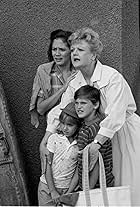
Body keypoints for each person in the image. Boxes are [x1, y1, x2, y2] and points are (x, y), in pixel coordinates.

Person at [44, 27, 140, 205]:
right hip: (97, 137)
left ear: (94, 55)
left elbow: (115, 115)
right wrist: (48, 136)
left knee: (126, 185)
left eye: (80, 50)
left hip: (122, 134)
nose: (74, 53)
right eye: (72, 50)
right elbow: (62, 108)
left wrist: (96, 143)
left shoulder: (112, 78)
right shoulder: (76, 81)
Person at [29, 29, 77, 172]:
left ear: (71, 51)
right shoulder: (44, 71)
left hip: (76, 135)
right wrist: (64, 89)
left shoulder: (79, 72)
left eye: (62, 49)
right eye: (54, 49)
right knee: (49, 176)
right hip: (53, 134)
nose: (56, 53)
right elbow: (41, 109)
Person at [66, 85, 114, 194]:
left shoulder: (97, 130)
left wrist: (87, 192)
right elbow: (82, 162)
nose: (78, 107)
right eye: (76, 103)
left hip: (98, 190)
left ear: (95, 104)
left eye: (83, 103)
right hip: (86, 186)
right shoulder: (83, 125)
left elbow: (96, 167)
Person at [38, 102, 81, 206]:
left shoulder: (79, 144)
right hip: (47, 187)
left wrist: (69, 191)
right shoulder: (54, 139)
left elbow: (77, 171)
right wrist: (52, 191)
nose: (65, 128)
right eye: (62, 123)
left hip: (67, 189)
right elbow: (48, 165)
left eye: (69, 125)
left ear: (78, 125)